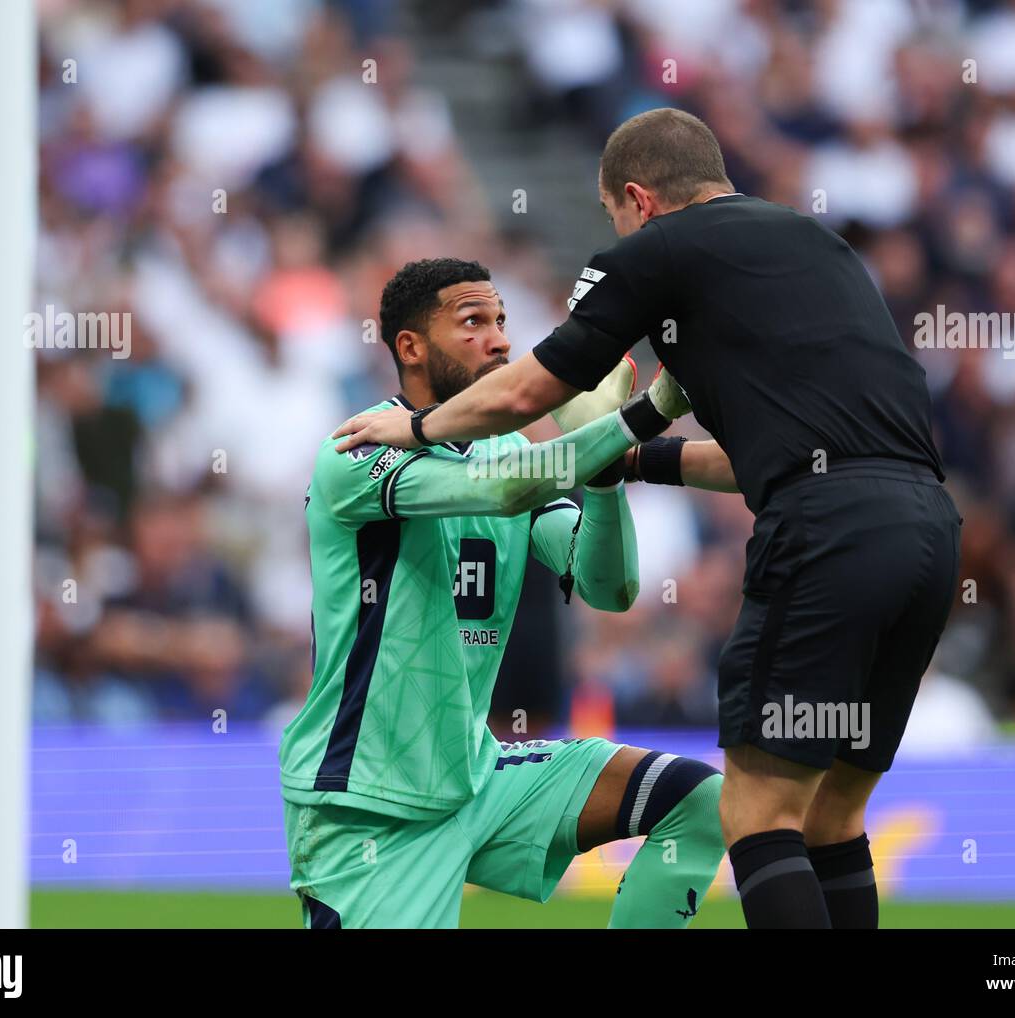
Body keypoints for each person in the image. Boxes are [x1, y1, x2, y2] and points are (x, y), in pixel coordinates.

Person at [333, 110, 962, 929]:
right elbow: (773, 456)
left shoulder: (660, 250)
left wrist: (417, 428)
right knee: (833, 818)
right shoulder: (818, 247)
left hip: (827, 535)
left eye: (613, 219)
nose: (617, 235)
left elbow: (530, 394)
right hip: (926, 531)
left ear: (638, 200)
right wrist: (631, 457)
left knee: (759, 814)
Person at [283, 256, 722, 928]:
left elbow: (609, 588)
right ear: (411, 346)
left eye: (502, 321)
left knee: (696, 801)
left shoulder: (508, 453)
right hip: (368, 803)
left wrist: (602, 479)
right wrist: (649, 412)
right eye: (473, 322)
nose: (500, 340)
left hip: (477, 778)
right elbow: (503, 488)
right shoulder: (359, 450)